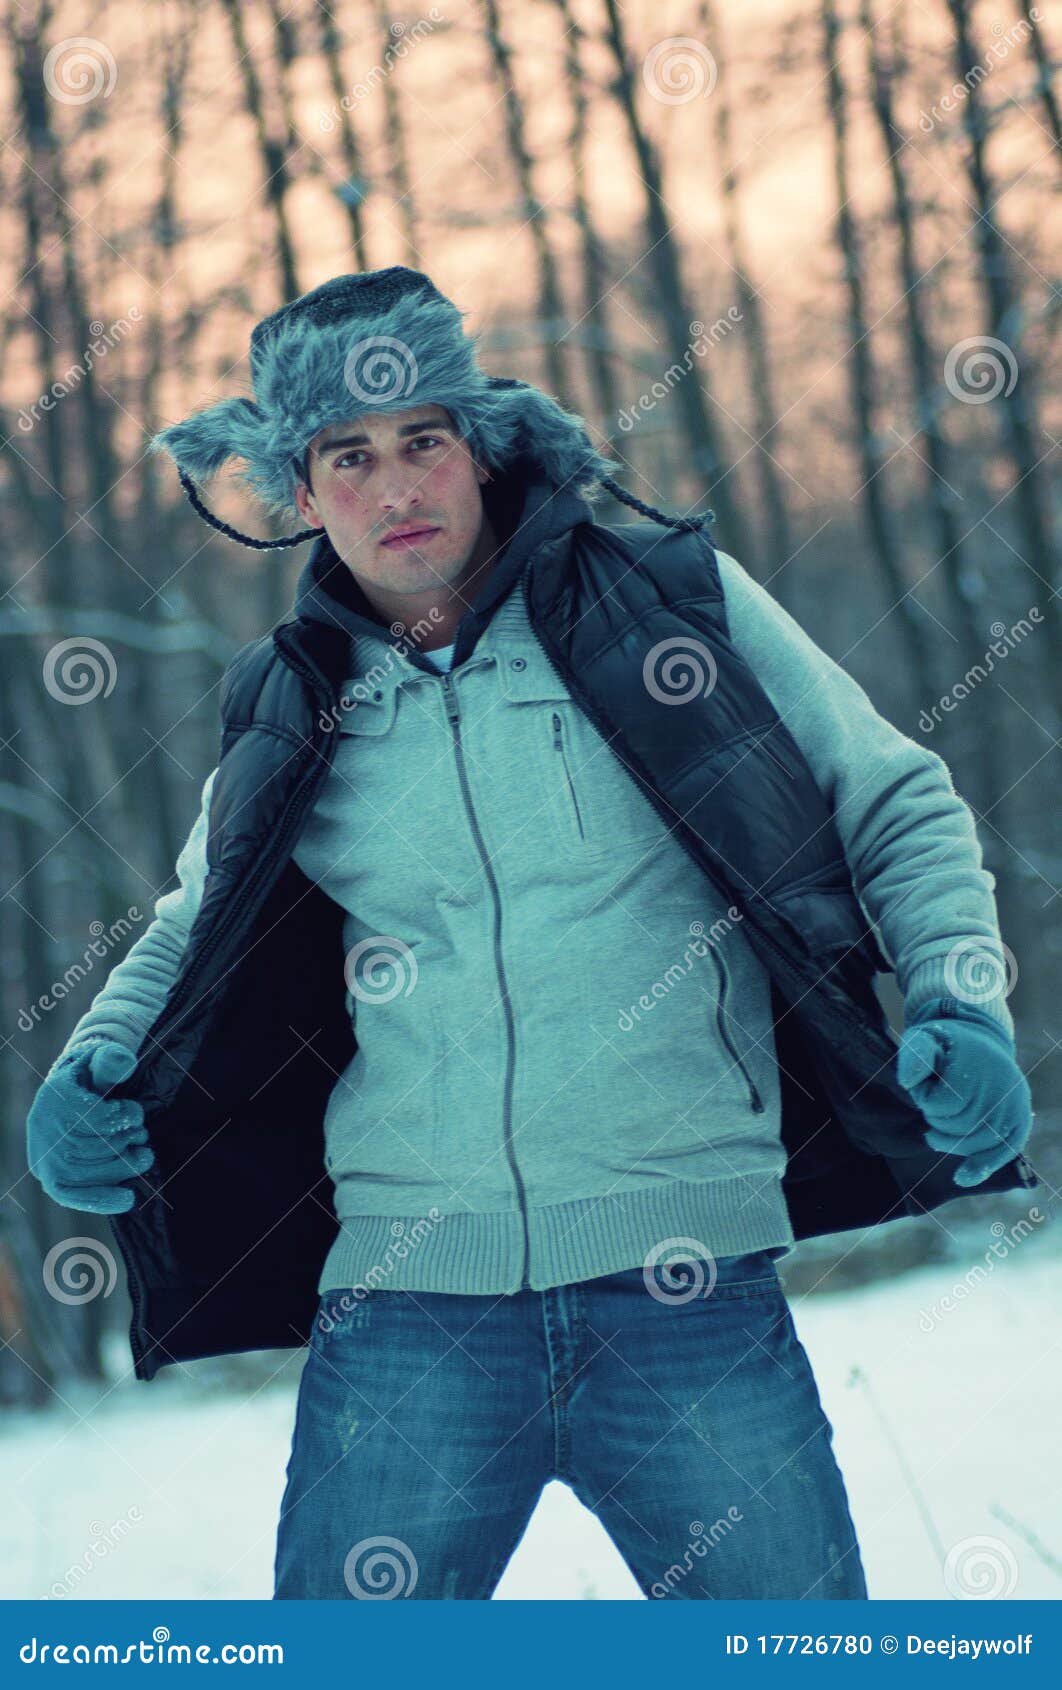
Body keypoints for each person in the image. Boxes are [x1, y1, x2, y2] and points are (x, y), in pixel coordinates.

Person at [26, 267, 1036, 1600]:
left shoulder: (662, 607)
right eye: (349, 456)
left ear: (480, 443)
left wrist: (961, 1000)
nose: (397, 487)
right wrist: (89, 1063)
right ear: (301, 488)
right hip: (405, 1310)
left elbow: (891, 796)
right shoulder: (294, 698)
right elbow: (191, 922)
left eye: (422, 441)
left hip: (684, 1291)